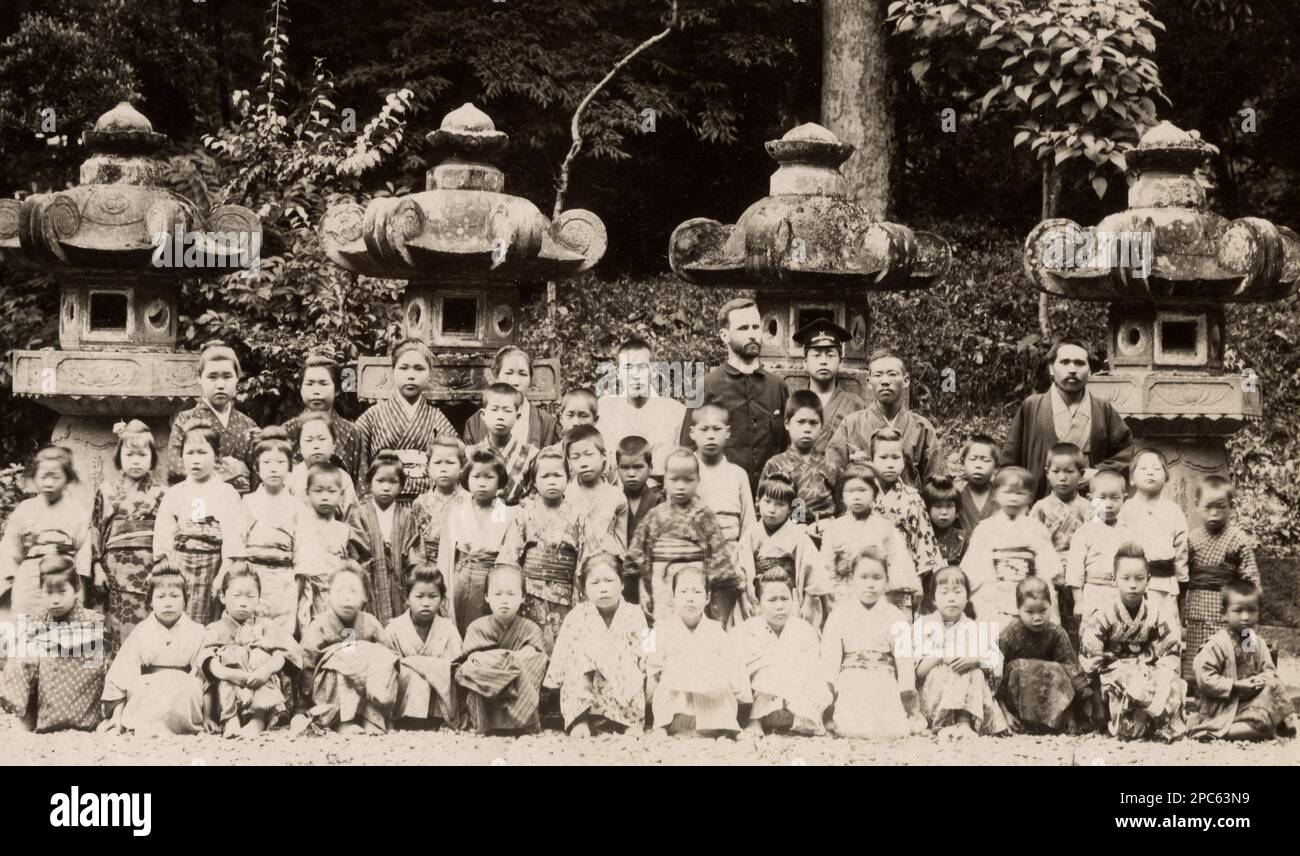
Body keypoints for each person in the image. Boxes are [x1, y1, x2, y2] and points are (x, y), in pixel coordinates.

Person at [1001, 337, 1134, 500]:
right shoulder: (1032, 406)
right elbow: (1009, 460)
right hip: (1040, 501)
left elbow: (1126, 452)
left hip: (1090, 499)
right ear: (1051, 368)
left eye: (1079, 363)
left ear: (1090, 370)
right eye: (1064, 362)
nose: (1072, 369)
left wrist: (1098, 473)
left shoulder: (1102, 408)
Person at [1078, 543, 1186, 741]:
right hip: (1112, 678)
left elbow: (1169, 650)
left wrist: (1162, 676)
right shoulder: (1103, 615)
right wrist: (1096, 702)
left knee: (1171, 682)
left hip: (1145, 670)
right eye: (1125, 578)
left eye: (1139, 578)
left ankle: (1158, 720)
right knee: (1132, 685)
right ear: (1114, 579)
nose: (1133, 585)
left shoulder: (1154, 613)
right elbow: (1090, 658)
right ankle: (1150, 720)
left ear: (1149, 580)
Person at [680, 298, 789, 493]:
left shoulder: (778, 386)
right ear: (724, 335)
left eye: (756, 327)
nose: (752, 335)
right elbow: (687, 449)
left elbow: (787, 448)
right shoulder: (703, 386)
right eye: (743, 328)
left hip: (770, 500)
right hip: (720, 496)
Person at [495, 448, 591, 653]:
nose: (552, 481)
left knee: (564, 649)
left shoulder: (578, 516)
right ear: (535, 482)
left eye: (558, 475)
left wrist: (581, 596)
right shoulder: (525, 515)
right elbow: (509, 558)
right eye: (545, 476)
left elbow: (587, 559)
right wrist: (511, 592)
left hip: (565, 595)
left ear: (568, 478)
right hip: (529, 595)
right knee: (530, 648)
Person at [543, 553, 649, 736]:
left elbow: (649, 650)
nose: (603, 589)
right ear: (583, 589)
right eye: (595, 583)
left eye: (609, 581)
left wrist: (648, 668)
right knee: (578, 660)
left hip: (623, 679)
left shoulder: (636, 613)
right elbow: (562, 652)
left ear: (622, 584)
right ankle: (580, 720)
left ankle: (629, 722)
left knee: (633, 666)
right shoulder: (576, 615)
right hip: (588, 681)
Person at [625, 448, 733, 624]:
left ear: (698, 480)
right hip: (660, 590)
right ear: (664, 481)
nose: (680, 486)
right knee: (653, 635)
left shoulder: (704, 516)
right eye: (674, 480)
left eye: (688, 480)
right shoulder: (655, 516)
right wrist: (642, 589)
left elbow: (721, 564)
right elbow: (636, 558)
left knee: (692, 635)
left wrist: (714, 601)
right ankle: (645, 653)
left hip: (693, 590)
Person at [821, 546, 918, 738]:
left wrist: (906, 691)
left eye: (877, 577)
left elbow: (904, 660)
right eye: (863, 577)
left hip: (883, 679)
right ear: (852, 580)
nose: (870, 584)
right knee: (849, 725)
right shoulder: (840, 614)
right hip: (850, 680)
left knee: (890, 728)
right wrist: (829, 691)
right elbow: (830, 657)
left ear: (887, 581)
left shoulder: (896, 617)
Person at [0, 557, 106, 732]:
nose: (55, 600)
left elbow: (96, 668)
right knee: (20, 655)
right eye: (49, 593)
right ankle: (25, 715)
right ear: (41, 592)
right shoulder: (38, 617)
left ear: (77, 590)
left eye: (62, 592)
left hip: (78, 695)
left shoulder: (90, 620)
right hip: (44, 692)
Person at [195, 564, 301, 738]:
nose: (243, 602)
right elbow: (205, 660)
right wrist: (229, 673)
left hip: (259, 686)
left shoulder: (265, 625)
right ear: (223, 597)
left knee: (261, 654)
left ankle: (258, 719)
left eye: (250, 596)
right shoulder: (214, 629)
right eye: (236, 596)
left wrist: (267, 670)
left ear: (258, 598)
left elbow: (288, 651)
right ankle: (230, 719)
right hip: (227, 690)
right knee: (227, 654)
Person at [153, 426, 246, 624]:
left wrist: (223, 574)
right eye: (190, 453)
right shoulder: (175, 493)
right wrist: (166, 571)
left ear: (216, 456)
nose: (196, 459)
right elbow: (164, 535)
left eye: (203, 452)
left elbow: (233, 537)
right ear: (182, 456)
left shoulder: (226, 493)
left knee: (211, 624)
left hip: (215, 566)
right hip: (180, 566)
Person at [99, 565, 206, 736]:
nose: (168, 603)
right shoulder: (142, 631)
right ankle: (146, 725)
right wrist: (117, 710)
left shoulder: (197, 631)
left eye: (175, 596)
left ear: (185, 600)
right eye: (161, 596)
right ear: (150, 601)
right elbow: (124, 669)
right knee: (144, 687)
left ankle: (175, 725)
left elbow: (201, 672)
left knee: (191, 687)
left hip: (183, 691)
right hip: (149, 688)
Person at [646, 566, 751, 738]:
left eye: (696, 592)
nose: (689, 598)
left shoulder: (716, 630)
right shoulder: (660, 629)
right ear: (673, 597)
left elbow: (733, 664)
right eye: (683, 592)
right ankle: (662, 726)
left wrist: (741, 694)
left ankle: (726, 727)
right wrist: (649, 696)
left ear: (707, 598)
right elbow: (652, 667)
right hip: (676, 695)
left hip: (709, 696)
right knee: (670, 672)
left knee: (717, 671)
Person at [1189, 580, 1298, 741]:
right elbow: (1205, 679)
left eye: (1252, 611)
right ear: (1224, 613)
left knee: (1274, 685)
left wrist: (1259, 681)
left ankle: (1260, 726)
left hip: (1249, 702)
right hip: (1222, 706)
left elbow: (1269, 671)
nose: (1245, 617)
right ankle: (1221, 731)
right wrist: (1235, 686)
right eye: (1238, 611)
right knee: (1267, 728)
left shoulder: (1256, 641)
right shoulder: (1216, 643)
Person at [91, 422, 164, 659]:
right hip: (114, 570)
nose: (135, 461)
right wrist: (97, 566)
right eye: (129, 454)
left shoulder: (162, 493)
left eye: (142, 455)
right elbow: (95, 529)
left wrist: (162, 566)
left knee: (150, 625)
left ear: (152, 458)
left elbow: (167, 534)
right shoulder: (106, 490)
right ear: (119, 456)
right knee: (114, 627)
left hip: (150, 568)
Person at [356, 338, 458, 506]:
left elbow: (455, 461)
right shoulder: (373, 416)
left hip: (427, 505)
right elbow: (358, 462)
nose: (411, 375)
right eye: (403, 368)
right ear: (393, 371)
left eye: (419, 369)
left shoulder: (436, 417)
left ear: (430, 374)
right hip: (383, 502)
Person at [298, 564, 397, 735]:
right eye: (340, 591)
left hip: (367, 687)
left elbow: (389, 656)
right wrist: (304, 704)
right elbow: (306, 665)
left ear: (365, 596)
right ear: (328, 595)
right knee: (341, 656)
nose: (347, 598)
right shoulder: (319, 626)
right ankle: (343, 722)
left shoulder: (371, 623)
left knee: (381, 656)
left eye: (353, 591)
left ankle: (372, 719)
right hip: (331, 692)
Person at [824, 348, 944, 487]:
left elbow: (938, 485)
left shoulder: (922, 428)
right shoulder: (850, 425)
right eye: (878, 375)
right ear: (869, 382)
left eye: (892, 374)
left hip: (911, 506)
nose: (885, 381)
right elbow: (830, 479)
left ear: (906, 380)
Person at [912, 566, 1007, 739]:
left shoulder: (974, 627)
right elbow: (918, 671)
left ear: (967, 597)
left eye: (957, 592)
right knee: (951, 669)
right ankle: (943, 724)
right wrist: (940, 655)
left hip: (969, 701)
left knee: (973, 669)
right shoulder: (924, 625)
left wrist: (975, 660)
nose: (951, 598)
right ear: (933, 599)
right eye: (944, 593)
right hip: (934, 697)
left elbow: (995, 666)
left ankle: (964, 723)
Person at [961, 467, 1062, 629]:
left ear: (1029, 496)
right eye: (1008, 492)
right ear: (995, 494)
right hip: (996, 594)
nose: (1013, 498)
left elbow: (1047, 567)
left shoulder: (1036, 528)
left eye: (1020, 493)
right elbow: (975, 569)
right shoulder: (985, 529)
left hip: (1031, 596)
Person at [454, 564, 549, 734]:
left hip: (518, 687)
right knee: (473, 664)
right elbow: (466, 664)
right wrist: (510, 659)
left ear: (522, 597)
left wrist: (502, 659)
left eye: (511, 594)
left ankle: (521, 721)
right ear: (487, 596)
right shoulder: (476, 627)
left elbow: (539, 662)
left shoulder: (531, 628)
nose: (504, 600)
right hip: (485, 689)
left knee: (533, 659)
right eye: (497, 594)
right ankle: (484, 722)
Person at [0, 445, 91, 622]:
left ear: (68, 478)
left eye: (56, 477)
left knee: (65, 638)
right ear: (34, 478)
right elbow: (10, 549)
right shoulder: (24, 510)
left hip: (65, 580)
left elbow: (84, 549)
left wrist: (82, 583)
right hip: (28, 581)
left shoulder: (78, 512)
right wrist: (9, 582)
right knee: (25, 635)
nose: (49, 483)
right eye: (43, 477)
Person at [1182, 475, 1259, 681]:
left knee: (1237, 659)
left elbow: (1252, 584)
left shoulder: (1238, 539)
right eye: (1208, 507)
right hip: (1198, 609)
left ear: (1231, 507)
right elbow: (1182, 577)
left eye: (1221, 507)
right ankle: (1200, 702)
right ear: (1197, 506)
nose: (1214, 514)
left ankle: (1243, 690)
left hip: (1231, 612)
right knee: (1199, 661)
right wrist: (1181, 609)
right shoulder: (1191, 539)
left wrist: (1246, 613)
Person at [737, 569, 831, 736]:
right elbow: (740, 671)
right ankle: (754, 722)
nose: (779, 606)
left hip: (795, 700)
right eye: (772, 600)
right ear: (758, 603)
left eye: (785, 599)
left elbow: (815, 670)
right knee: (767, 669)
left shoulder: (805, 630)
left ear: (794, 599)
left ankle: (800, 721)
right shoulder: (746, 630)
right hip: (760, 699)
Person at [996, 576, 1094, 734]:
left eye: (1042, 610)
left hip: (1049, 696)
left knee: (1060, 669)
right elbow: (994, 676)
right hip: (1017, 697)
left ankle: (1062, 720)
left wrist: (1084, 697)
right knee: (1015, 668)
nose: (1037, 618)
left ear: (1050, 606)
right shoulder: (1008, 634)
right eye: (1029, 612)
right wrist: (1004, 713)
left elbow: (1070, 665)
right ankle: (1022, 721)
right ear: (1018, 610)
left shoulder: (1056, 633)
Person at [816, 464, 916, 616]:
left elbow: (898, 563)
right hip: (844, 596)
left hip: (878, 595)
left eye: (862, 490)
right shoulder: (833, 528)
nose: (856, 496)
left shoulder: (885, 527)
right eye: (850, 491)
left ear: (874, 493)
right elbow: (826, 566)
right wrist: (829, 598)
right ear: (842, 496)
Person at [437, 448, 518, 636]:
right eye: (476, 477)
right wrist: (443, 586)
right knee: (458, 628)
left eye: (489, 477)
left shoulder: (504, 513)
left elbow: (510, 554)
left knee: (488, 631)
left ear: (499, 480)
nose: (482, 483)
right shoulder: (456, 512)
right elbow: (445, 556)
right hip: (460, 577)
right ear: (466, 479)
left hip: (491, 579)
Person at [690, 403, 757, 627]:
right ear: (692, 433)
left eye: (717, 429)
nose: (710, 436)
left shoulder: (737, 475)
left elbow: (749, 526)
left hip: (731, 560)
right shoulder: (685, 471)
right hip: (693, 557)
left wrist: (744, 571)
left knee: (728, 625)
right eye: (704, 429)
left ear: (728, 432)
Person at [165, 341, 258, 492]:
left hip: (241, 505)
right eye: (212, 377)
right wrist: (234, 471)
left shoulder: (248, 425)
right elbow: (175, 468)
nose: (220, 384)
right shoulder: (185, 420)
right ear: (200, 379)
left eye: (227, 376)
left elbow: (259, 473)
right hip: (198, 501)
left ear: (237, 380)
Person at [736, 473, 828, 623]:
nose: (772, 509)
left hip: (789, 596)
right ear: (758, 502)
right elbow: (740, 568)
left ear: (790, 509)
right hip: (759, 596)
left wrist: (809, 603)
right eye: (767, 501)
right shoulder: (752, 533)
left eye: (780, 504)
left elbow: (813, 568)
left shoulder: (798, 535)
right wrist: (744, 599)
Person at [382, 565, 462, 730]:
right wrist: (418, 666)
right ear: (407, 598)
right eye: (419, 596)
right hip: (404, 700)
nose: (426, 603)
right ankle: (407, 719)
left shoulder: (448, 629)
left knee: (442, 671)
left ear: (441, 599)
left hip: (438, 701)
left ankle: (435, 719)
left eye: (433, 596)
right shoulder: (394, 628)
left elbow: (456, 667)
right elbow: (385, 668)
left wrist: (424, 666)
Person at [870, 428, 945, 601]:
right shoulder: (864, 496)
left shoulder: (912, 498)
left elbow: (924, 546)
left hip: (904, 578)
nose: (890, 464)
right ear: (872, 460)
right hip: (869, 576)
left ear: (904, 461)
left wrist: (916, 581)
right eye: (883, 457)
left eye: (895, 457)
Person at [597, 337, 686, 477]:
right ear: (618, 373)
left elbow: (684, 464)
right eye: (627, 367)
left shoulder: (676, 412)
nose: (635, 375)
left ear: (654, 371)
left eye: (642, 367)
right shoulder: (604, 409)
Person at [242, 426, 300, 635]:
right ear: (257, 469)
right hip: (253, 576)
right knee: (252, 630)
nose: (273, 468)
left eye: (280, 462)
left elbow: (301, 549)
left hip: (284, 578)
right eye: (266, 463)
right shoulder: (248, 502)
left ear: (290, 467)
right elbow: (238, 541)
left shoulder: (297, 505)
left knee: (281, 633)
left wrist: (297, 580)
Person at [349, 451, 419, 625]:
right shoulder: (359, 515)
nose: (386, 487)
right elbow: (353, 554)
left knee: (398, 627)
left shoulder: (407, 516)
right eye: (380, 481)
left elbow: (415, 557)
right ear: (369, 483)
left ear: (402, 486)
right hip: (369, 582)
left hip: (399, 584)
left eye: (393, 481)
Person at [1119, 448, 1188, 622]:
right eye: (1143, 469)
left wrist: (1181, 580)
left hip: (1163, 584)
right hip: (1131, 583)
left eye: (1157, 469)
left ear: (1165, 478)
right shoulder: (1125, 509)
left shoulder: (1173, 511)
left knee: (1165, 628)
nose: (1150, 472)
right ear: (1132, 479)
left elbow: (1181, 549)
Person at [1029, 442, 1092, 628]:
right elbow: (1034, 543)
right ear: (1047, 473)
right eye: (1056, 472)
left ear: (1081, 474)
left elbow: (1097, 540)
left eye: (1069, 472)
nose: (1062, 478)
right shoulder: (1040, 507)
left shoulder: (1088, 507)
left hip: (1081, 573)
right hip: (1049, 570)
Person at [1065, 469, 1139, 622]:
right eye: (1102, 498)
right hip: (1093, 593)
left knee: (1121, 637)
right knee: (1093, 638)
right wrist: (1079, 601)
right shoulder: (1084, 532)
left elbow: (1137, 564)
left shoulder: (1130, 532)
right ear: (1090, 499)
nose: (1109, 504)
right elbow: (1075, 568)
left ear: (1124, 499)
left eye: (1115, 498)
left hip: (1122, 593)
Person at [284, 350, 363, 484]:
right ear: (301, 388)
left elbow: (361, 485)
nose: (316, 390)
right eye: (310, 383)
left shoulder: (351, 432)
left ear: (337, 389)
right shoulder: (288, 430)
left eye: (323, 383)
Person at [760, 390, 839, 524]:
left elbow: (842, 506)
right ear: (787, 424)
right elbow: (762, 506)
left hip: (825, 531)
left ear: (821, 426)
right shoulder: (775, 465)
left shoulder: (829, 465)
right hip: (785, 532)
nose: (807, 428)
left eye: (813, 423)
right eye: (801, 422)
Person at [293, 462, 354, 633]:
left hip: (339, 596)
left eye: (331, 491)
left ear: (341, 494)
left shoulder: (344, 531)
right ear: (307, 493)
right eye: (318, 491)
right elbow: (300, 573)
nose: (325, 497)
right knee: (314, 642)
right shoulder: (303, 528)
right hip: (311, 596)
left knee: (346, 641)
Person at [792, 318, 865, 456]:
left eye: (830, 355)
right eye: (817, 355)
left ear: (841, 362)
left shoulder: (855, 404)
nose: (823, 361)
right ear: (805, 362)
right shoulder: (793, 401)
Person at [462, 346, 559, 448]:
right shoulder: (475, 422)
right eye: (508, 373)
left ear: (530, 380)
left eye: (523, 374)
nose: (515, 382)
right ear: (496, 377)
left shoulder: (546, 422)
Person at [466, 383, 539, 505]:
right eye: (494, 409)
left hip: (516, 518)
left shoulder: (531, 454)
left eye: (507, 411)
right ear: (483, 415)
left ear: (518, 416)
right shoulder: (470, 454)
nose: (500, 416)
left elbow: (534, 496)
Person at [562, 425, 628, 556]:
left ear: (603, 455)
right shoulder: (564, 494)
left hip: (606, 563)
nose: (583, 463)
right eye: (576, 457)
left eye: (589, 454)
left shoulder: (616, 496)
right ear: (569, 461)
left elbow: (621, 544)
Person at [408, 437, 469, 565]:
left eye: (450, 462)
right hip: (428, 571)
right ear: (428, 467)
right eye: (437, 462)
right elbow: (415, 547)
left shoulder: (470, 502)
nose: (443, 468)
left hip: (460, 567)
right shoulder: (420, 503)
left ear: (462, 467)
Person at [287, 415, 360, 518]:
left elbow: (353, 520)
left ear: (334, 445)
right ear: (299, 447)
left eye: (322, 439)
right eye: (309, 440)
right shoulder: (291, 478)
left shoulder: (343, 478)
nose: (316, 445)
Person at [617, 435, 661, 603]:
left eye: (638, 467)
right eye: (625, 468)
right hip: (621, 578)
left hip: (650, 578)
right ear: (617, 469)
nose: (631, 473)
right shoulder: (614, 500)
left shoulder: (658, 500)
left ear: (650, 468)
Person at [955, 435, 1000, 533]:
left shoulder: (1003, 498)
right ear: (963, 464)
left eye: (985, 460)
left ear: (995, 467)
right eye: (972, 459)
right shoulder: (955, 497)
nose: (978, 465)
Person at [922, 475, 966, 566]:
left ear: (957, 511)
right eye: (938, 506)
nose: (944, 512)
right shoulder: (920, 537)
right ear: (927, 509)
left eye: (949, 506)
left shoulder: (962, 539)